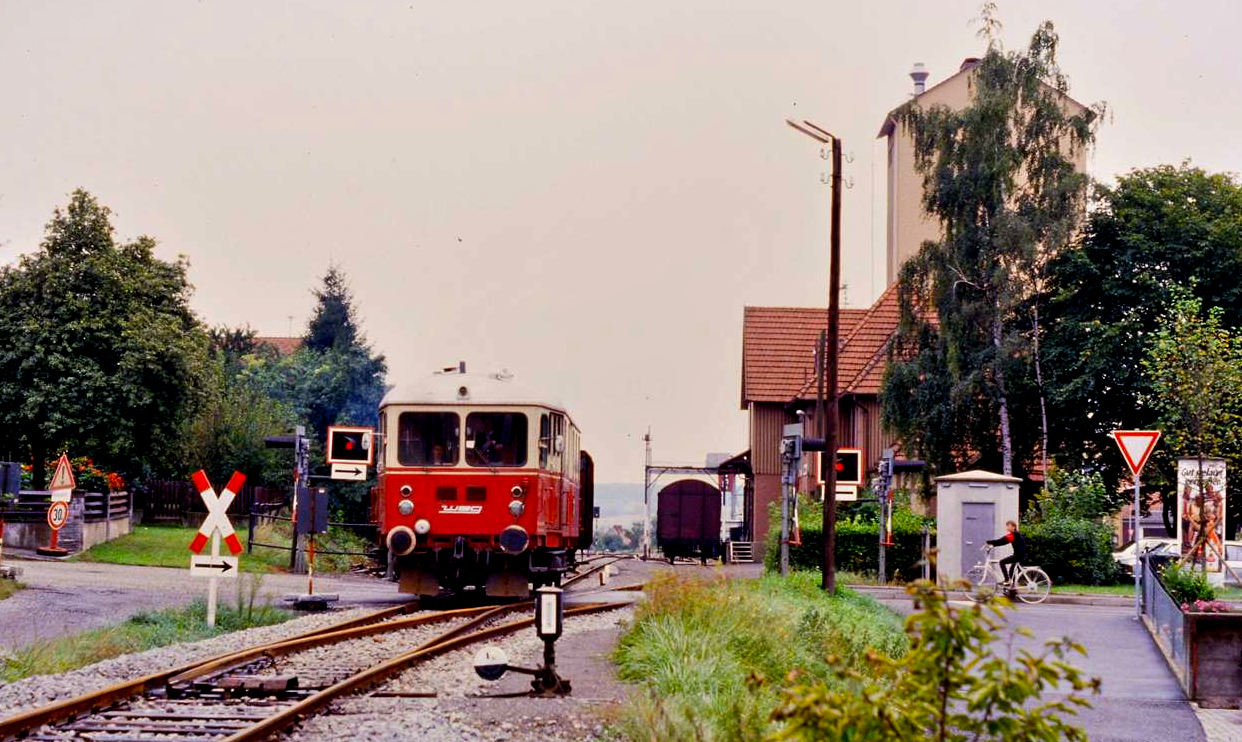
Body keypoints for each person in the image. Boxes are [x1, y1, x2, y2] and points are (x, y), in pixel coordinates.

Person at [987, 520, 1026, 585]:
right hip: (1019, 555)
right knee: (1011, 571)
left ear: (1014, 527)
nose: (1007, 528)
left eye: (1008, 526)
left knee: (1002, 562)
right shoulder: (1014, 534)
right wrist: (993, 545)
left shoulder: (1014, 534)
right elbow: (1003, 542)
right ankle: (1012, 588)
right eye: (1007, 526)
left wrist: (989, 542)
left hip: (1019, 555)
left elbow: (1002, 540)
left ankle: (1007, 580)